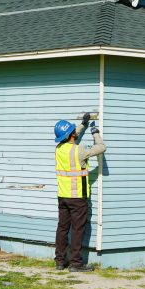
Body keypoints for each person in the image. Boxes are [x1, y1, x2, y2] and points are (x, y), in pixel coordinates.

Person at [54, 112, 105, 272]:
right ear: (71, 135)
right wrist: (95, 132)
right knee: (77, 229)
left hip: (63, 197)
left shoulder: (59, 148)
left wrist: (82, 124)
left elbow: (70, 133)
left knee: (62, 228)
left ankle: (60, 262)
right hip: (77, 197)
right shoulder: (79, 150)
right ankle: (76, 264)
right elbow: (102, 147)